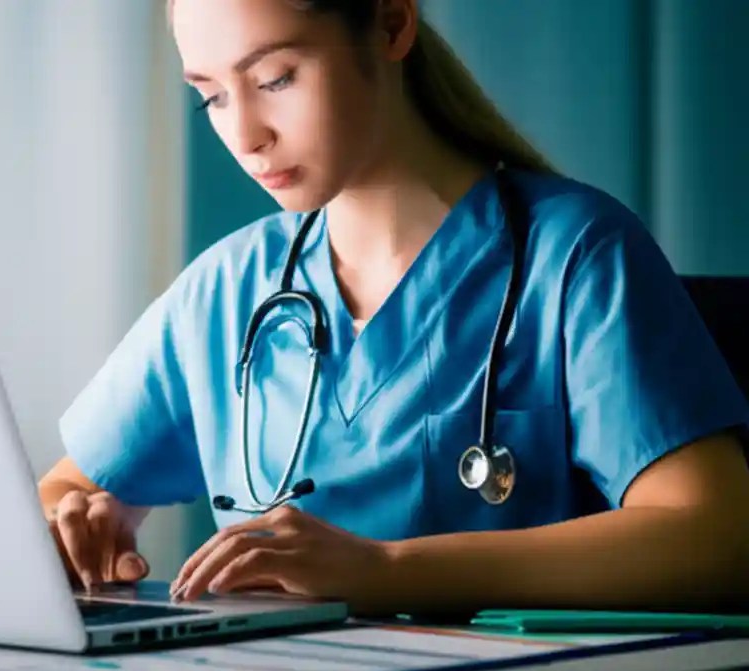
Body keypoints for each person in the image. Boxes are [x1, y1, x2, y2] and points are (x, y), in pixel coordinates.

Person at [38, 0, 749, 616]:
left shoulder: (574, 254)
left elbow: (714, 533)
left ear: (391, 23)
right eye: (213, 97)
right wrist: (72, 523)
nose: (246, 134)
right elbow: (70, 485)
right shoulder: (227, 290)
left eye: (275, 78)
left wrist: (387, 572)